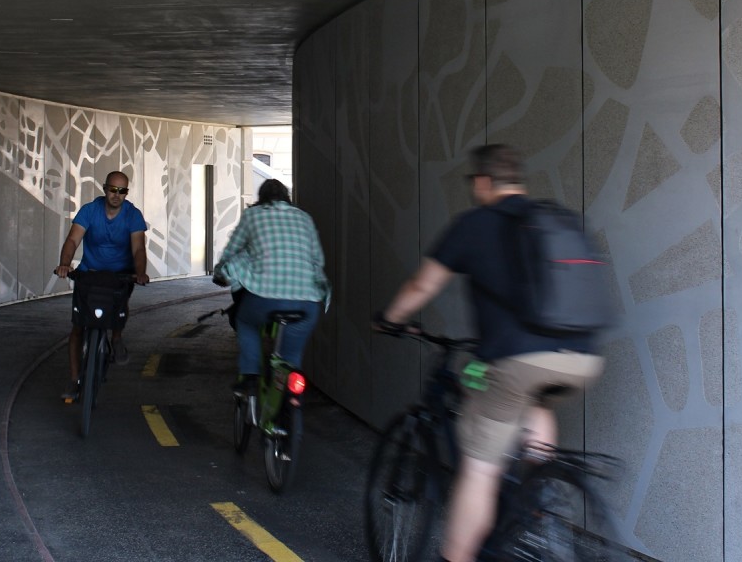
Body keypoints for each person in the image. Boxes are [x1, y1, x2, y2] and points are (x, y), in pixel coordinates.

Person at [377, 144, 604, 562]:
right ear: (517, 178)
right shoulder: (550, 219)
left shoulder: (475, 224)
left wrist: (390, 318)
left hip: (518, 362)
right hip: (582, 356)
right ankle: (541, 495)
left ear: (482, 182)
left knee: (480, 465)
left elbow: (422, 287)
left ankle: (458, 555)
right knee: (524, 396)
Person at [214, 179, 330, 391]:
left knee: (246, 323)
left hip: (264, 297)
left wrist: (220, 272)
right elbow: (318, 260)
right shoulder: (304, 218)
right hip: (308, 301)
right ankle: (287, 406)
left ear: (261, 199)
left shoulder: (253, 215)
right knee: (290, 357)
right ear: (288, 198)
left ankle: (250, 375)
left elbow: (232, 250)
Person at [55, 171, 150, 401]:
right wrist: (65, 264)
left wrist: (140, 272)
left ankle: (116, 338)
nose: (117, 195)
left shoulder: (133, 215)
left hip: (120, 275)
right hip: (91, 273)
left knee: (119, 306)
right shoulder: (89, 211)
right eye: (113, 189)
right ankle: (75, 379)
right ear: (105, 188)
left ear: (126, 193)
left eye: (122, 191)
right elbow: (72, 240)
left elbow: (138, 248)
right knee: (78, 327)